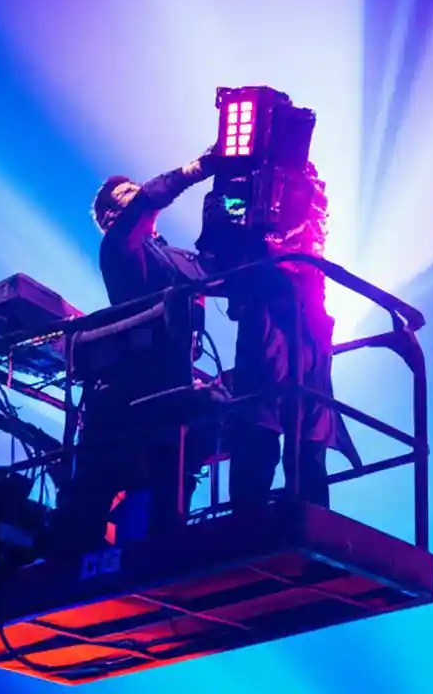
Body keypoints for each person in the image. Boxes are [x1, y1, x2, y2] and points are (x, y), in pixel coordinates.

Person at [52, 152, 216, 553]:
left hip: (170, 381)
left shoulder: (170, 256)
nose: (137, 194)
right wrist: (196, 170)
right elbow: (146, 202)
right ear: (111, 215)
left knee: (175, 468)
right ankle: (79, 557)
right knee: (100, 482)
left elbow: (217, 272)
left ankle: (165, 544)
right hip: (131, 389)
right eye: (127, 194)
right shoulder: (119, 247)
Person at [218, 164, 355, 511]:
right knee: (263, 425)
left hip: (303, 312)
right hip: (278, 309)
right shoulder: (257, 176)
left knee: (299, 428)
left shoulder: (296, 178)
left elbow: (311, 226)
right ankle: (256, 519)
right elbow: (226, 236)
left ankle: (301, 517)